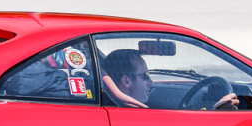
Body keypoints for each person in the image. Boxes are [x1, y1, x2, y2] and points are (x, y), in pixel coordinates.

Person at [102, 48, 238, 110]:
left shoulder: (117, 107)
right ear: (126, 81)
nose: (151, 82)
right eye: (145, 76)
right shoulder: (132, 116)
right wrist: (216, 111)